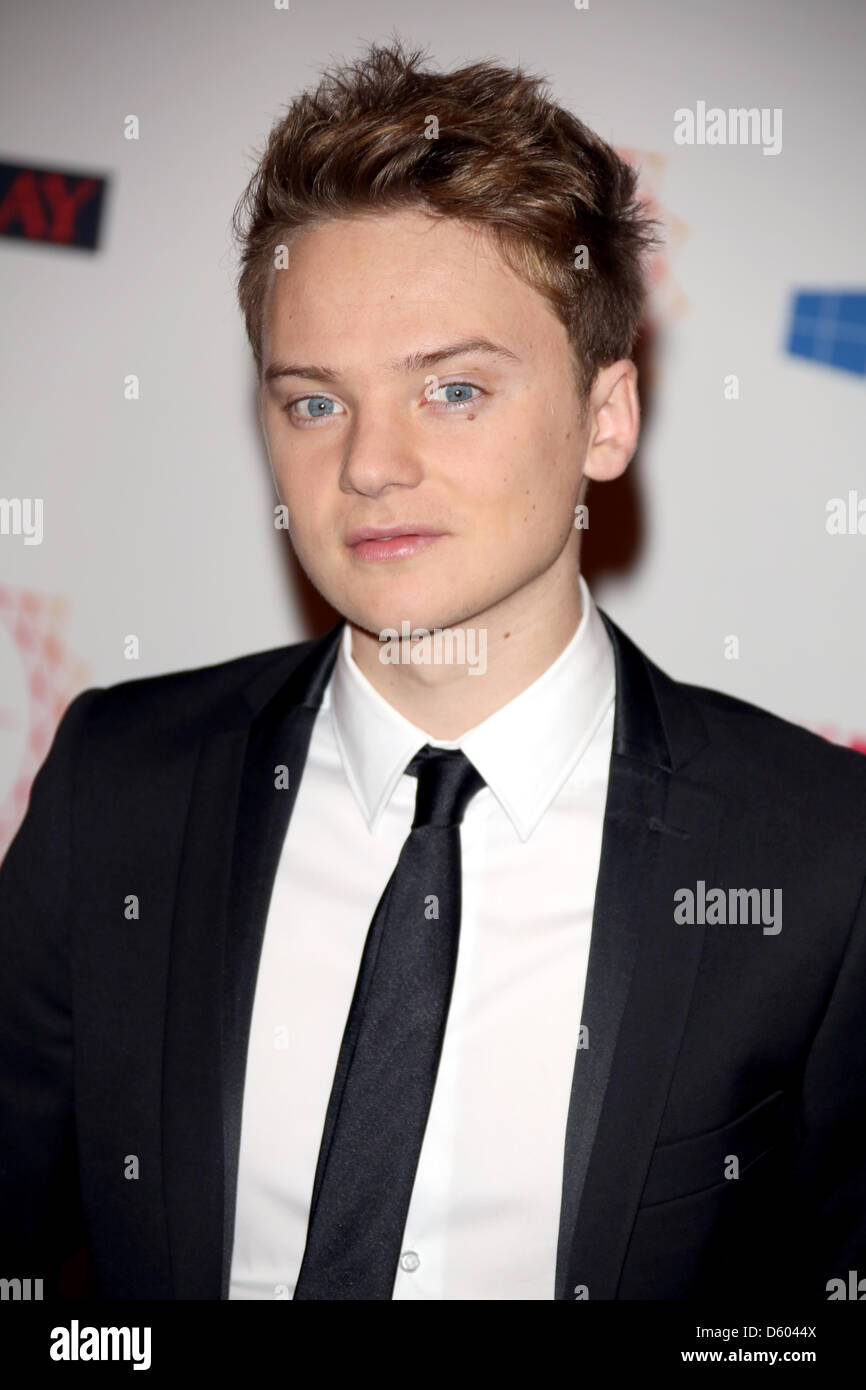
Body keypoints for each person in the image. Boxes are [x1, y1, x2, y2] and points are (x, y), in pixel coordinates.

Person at [1, 38, 864, 1303]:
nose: (367, 466)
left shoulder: (816, 852)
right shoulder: (118, 785)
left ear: (605, 416)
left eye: (452, 390)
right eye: (312, 402)